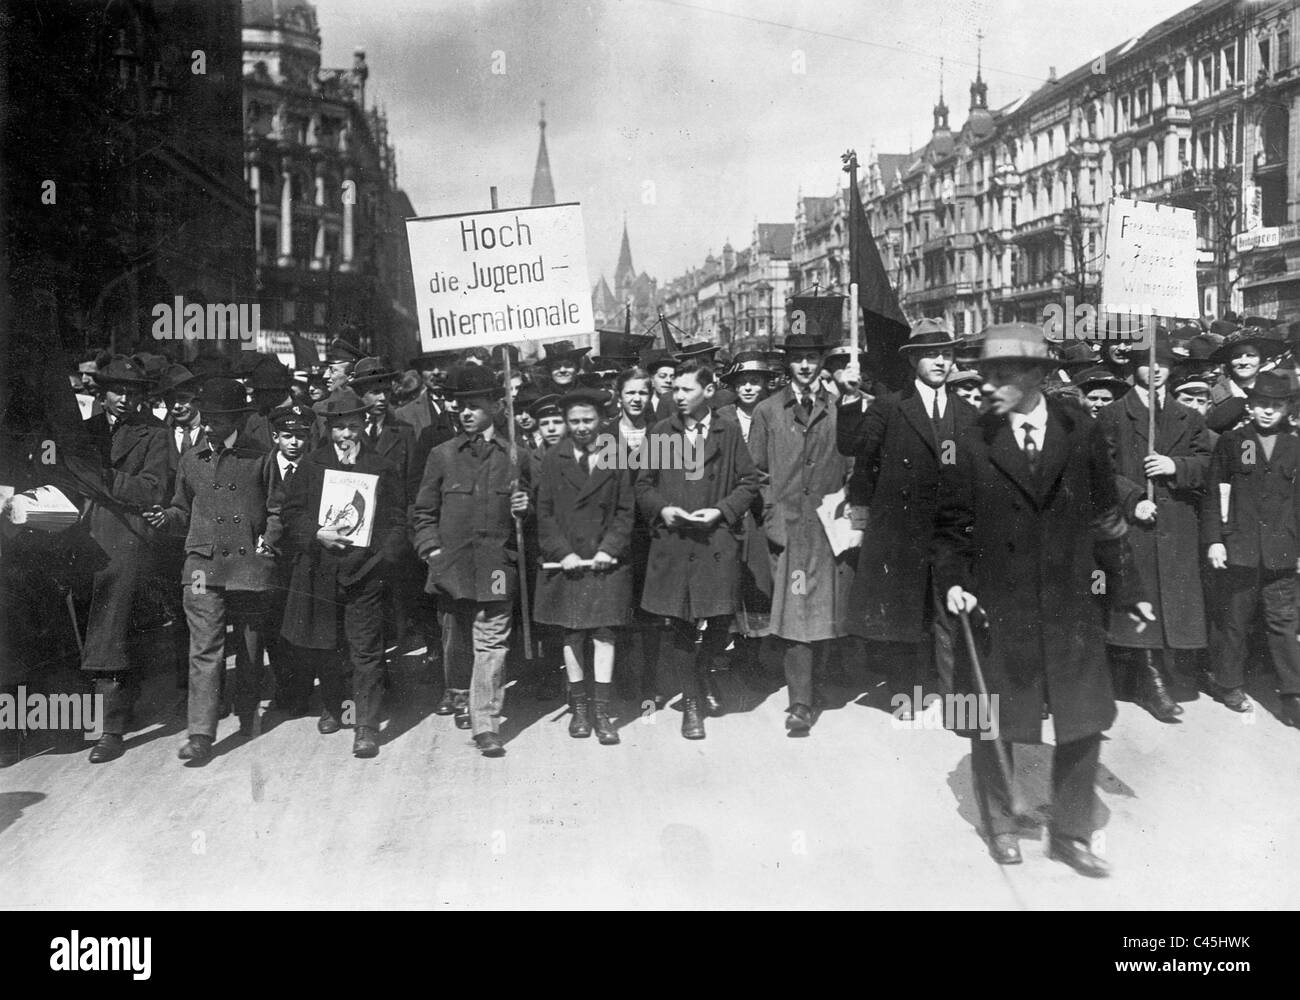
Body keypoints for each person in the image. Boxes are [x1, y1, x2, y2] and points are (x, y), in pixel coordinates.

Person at [935, 323, 1153, 877]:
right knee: (995, 716)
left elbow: (1107, 515)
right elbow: (951, 527)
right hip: (996, 601)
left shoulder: (1080, 430)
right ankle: (1003, 823)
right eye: (986, 374)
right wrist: (955, 582)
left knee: (1084, 719)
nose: (989, 385)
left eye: (1004, 374)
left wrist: (1128, 589)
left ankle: (1072, 833)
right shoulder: (970, 439)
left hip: (1068, 600)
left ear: (1037, 376)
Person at [836, 318, 975, 713]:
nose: (940, 361)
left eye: (946, 354)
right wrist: (848, 399)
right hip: (900, 529)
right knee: (904, 615)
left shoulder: (965, 412)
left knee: (948, 610)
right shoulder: (890, 405)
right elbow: (852, 445)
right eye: (931, 354)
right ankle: (906, 693)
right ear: (913, 359)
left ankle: (952, 698)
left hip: (948, 529)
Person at [145, 378, 276, 762]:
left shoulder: (260, 456)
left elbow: (277, 509)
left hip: (248, 563)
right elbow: (181, 509)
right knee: (204, 648)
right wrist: (165, 517)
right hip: (201, 566)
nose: (208, 426)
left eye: (217, 420)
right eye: (207, 419)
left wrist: (267, 546)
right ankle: (201, 734)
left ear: (234, 420)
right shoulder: (191, 459)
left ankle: (248, 711)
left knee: (251, 646)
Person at [636, 359, 760, 740]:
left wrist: (722, 511)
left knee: (720, 618)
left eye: (687, 389)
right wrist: (663, 508)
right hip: (674, 542)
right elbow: (642, 485)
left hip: (715, 540)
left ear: (708, 391)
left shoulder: (727, 431)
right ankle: (692, 704)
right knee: (682, 625)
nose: (679, 396)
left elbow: (749, 481)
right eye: (675, 389)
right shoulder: (660, 432)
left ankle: (704, 675)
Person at [279, 390, 407, 758]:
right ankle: (335, 705)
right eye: (339, 428)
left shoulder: (381, 466)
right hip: (320, 570)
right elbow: (292, 514)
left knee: (365, 649)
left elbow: (398, 519)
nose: (347, 435)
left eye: (353, 426)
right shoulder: (311, 465)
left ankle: (365, 726)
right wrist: (316, 533)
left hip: (365, 571)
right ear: (329, 429)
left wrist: (382, 556)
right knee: (327, 643)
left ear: (364, 425)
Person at [412, 365, 531, 757]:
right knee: (456, 636)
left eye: (474, 406)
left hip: (497, 563)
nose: (465, 412)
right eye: (460, 406)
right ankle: (460, 691)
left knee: (492, 641)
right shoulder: (442, 456)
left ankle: (486, 723)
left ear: (496, 407)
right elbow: (423, 512)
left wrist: (523, 507)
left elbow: (538, 510)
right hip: (453, 566)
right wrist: (431, 550)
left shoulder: (517, 456)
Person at [1097, 334, 1212, 723]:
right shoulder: (1114, 415)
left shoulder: (1190, 417)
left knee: (1172, 601)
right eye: (1148, 362)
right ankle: (1150, 681)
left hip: (1176, 523)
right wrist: (1133, 499)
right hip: (1136, 525)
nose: (1156, 369)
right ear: (1135, 369)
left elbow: (1207, 464)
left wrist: (1174, 466)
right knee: (1140, 601)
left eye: (1163, 361)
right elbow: (1100, 471)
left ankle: (1157, 672)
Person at [747, 333, 856, 734]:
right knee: (796, 614)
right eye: (798, 360)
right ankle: (800, 704)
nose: (806, 367)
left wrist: (847, 508)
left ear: (822, 362)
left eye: (812, 358)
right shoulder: (768, 411)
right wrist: (773, 516)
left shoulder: (841, 407)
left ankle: (815, 688)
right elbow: (755, 473)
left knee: (824, 611)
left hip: (829, 525)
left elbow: (854, 463)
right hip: (789, 527)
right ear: (787, 365)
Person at [78, 356, 170, 764]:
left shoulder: (155, 433)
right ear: (102, 392)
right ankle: (94, 713)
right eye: (117, 390)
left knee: (110, 629)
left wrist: (100, 479)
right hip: (80, 534)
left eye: (133, 391)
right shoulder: (85, 431)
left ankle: (110, 729)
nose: (124, 398)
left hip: (123, 537)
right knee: (83, 623)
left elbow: (151, 489)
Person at [534, 387, 635, 744]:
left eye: (588, 420)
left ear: (601, 420)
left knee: (604, 633)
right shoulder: (552, 458)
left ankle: (603, 711)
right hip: (569, 563)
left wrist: (611, 547)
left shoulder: (616, 454)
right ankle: (579, 709)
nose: (581, 427)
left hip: (604, 562)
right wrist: (562, 553)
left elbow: (626, 510)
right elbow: (543, 513)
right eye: (574, 421)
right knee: (572, 632)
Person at [1201, 370, 1300, 727]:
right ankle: (1228, 684)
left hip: (1281, 551)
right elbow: (1216, 493)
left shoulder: (1294, 446)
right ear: (1251, 406)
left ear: (1288, 408)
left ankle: (1292, 694)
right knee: (1234, 619)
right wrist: (1215, 539)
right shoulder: (1234, 442)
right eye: (1261, 404)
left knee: (1283, 622)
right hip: (1239, 547)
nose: (1268, 412)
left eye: (1276, 405)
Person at [261, 403, 313, 716]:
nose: (294, 442)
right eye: (287, 436)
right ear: (275, 437)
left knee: (304, 625)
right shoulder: (262, 467)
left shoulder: (316, 467)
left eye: (300, 436)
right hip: (270, 560)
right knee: (274, 626)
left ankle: (303, 690)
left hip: (304, 558)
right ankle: (286, 685)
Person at [1206, 329, 1287, 434]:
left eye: (1250, 355)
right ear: (1228, 361)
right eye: (1237, 356)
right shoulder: (1213, 395)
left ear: (1261, 360)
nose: (1243, 362)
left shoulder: (1276, 390)